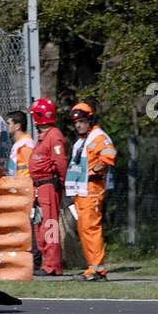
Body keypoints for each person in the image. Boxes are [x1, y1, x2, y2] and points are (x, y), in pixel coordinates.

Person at [64, 101, 117, 281]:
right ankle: (91, 267)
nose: (78, 124)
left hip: (92, 190)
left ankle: (98, 270)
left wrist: (96, 170)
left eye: (81, 121)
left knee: (91, 229)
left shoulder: (98, 136)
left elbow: (109, 155)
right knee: (84, 229)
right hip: (81, 191)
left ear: (90, 120)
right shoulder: (81, 141)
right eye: (75, 122)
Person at [28, 97, 66, 276]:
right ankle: (46, 262)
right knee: (40, 225)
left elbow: (60, 162)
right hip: (40, 186)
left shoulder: (53, 135)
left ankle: (52, 265)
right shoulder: (44, 136)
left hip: (49, 186)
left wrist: (62, 183)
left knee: (50, 225)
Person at [4, 111, 34, 176]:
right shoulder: (19, 143)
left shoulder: (25, 144)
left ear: (17, 126)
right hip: (17, 183)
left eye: (8, 123)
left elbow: (31, 169)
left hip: (24, 184)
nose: (6, 126)